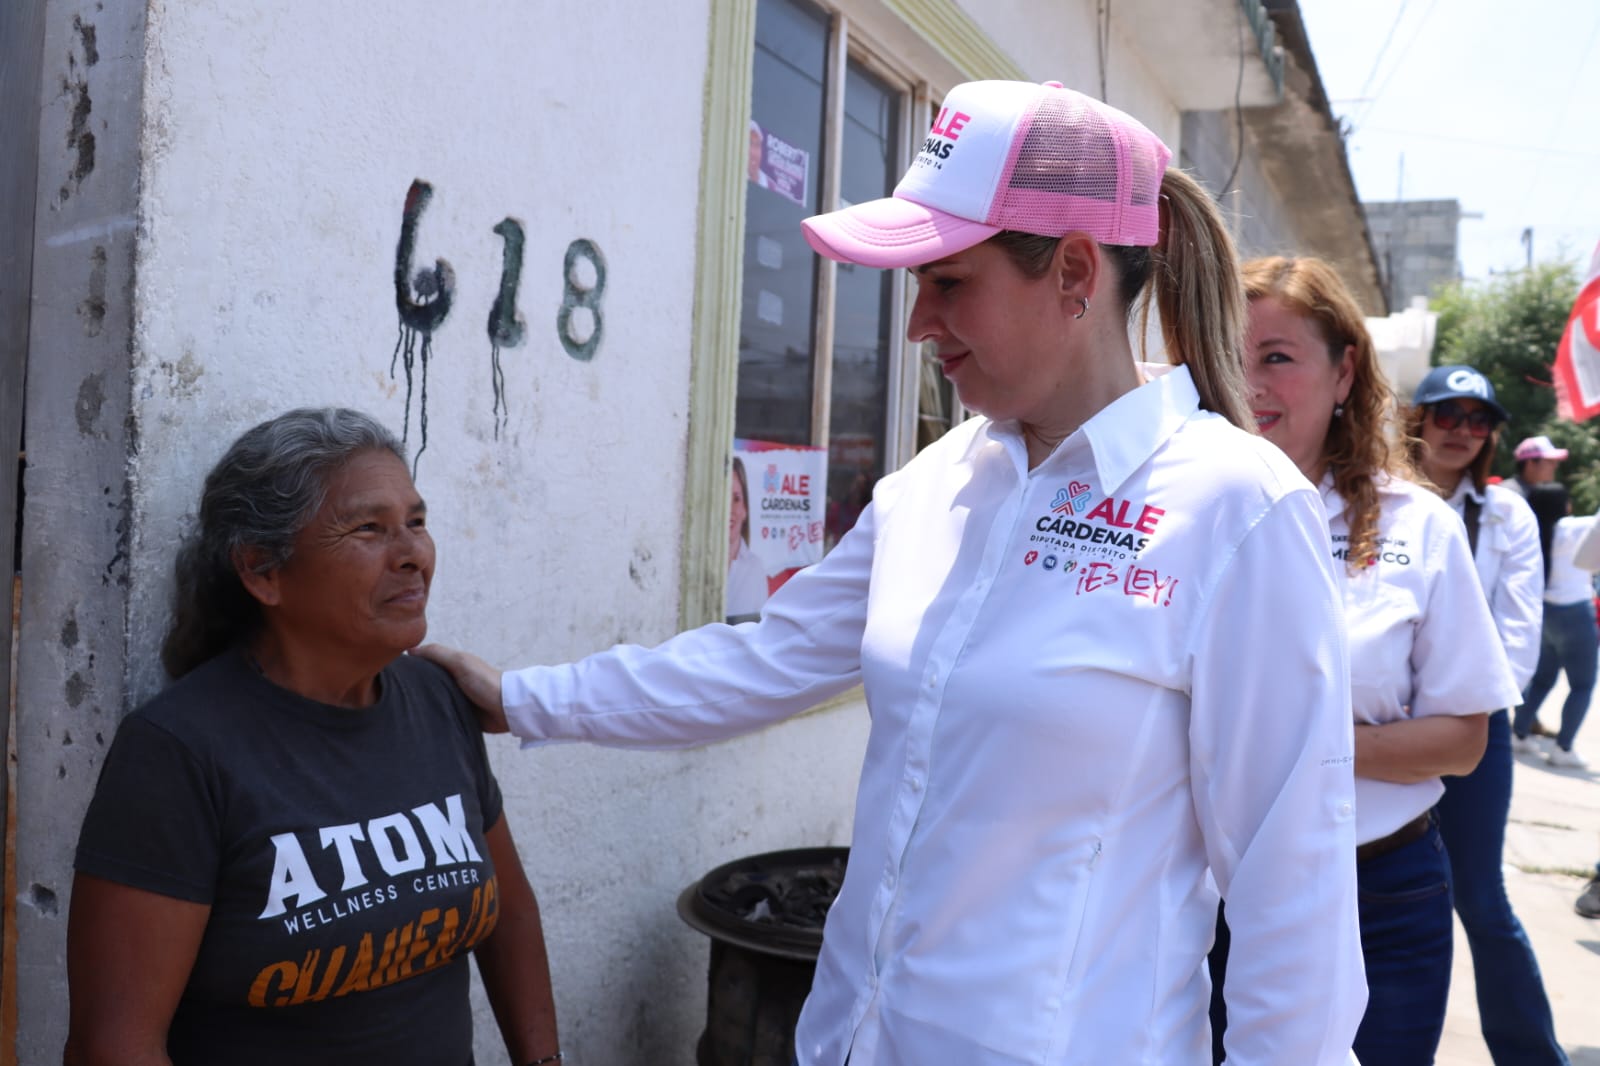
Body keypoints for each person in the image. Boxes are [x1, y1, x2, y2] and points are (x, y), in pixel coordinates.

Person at [419, 80, 1366, 1065]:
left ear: (1076, 271)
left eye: (949, 283)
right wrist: (525, 699)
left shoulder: (1236, 510)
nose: (916, 323)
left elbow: (1289, 890)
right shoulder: (937, 484)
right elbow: (762, 661)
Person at [64, 408, 560, 1066]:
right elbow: (115, 1045)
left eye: (416, 522)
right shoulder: (179, 752)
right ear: (263, 571)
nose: (412, 555)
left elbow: (510, 918)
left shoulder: (438, 700)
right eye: (369, 530)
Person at [1236, 257, 1517, 1066]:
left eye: (1278, 356)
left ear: (1344, 370)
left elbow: (1463, 741)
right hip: (1214, 895)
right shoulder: (1178, 518)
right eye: (1231, 352)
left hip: (1381, 895)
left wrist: (1306, 745)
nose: (1250, 380)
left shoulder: (1419, 527)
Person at [1405, 365, 1568, 1064]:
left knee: (1479, 896)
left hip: (1471, 726)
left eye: (1479, 421)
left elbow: (1517, 632)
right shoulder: (1367, 496)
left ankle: (1532, 1054)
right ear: (1418, 419)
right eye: (1449, 415)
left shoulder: (1507, 513)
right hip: (1378, 724)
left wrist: (1455, 717)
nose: (1464, 432)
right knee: (1387, 895)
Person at [1513, 481, 1600, 769]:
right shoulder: (1573, 528)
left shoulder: (1535, 530)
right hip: (1575, 614)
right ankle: (1563, 747)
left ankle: (1519, 732)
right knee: (1582, 686)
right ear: (1564, 506)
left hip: (1546, 612)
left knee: (1541, 680)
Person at [726, 455, 768, 621]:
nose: (729, 508)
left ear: (745, 510)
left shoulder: (755, 569)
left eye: (736, 499)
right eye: (723, 497)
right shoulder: (697, 563)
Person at [1505, 435, 1569, 499]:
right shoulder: (1509, 495)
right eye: (1550, 461)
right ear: (1530, 464)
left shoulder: (1537, 493)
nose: (1555, 466)